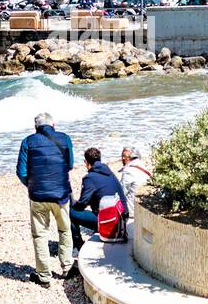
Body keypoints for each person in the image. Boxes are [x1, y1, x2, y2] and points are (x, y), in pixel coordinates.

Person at [16, 112, 75, 288]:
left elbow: (21, 172)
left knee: (40, 234)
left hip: (38, 196)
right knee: (64, 230)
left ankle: (44, 276)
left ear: (35, 127)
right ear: (53, 124)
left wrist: (33, 185)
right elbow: (70, 164)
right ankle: (67, 267)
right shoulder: (65, 139)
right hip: (61, 194)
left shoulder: (28, 141)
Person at [70, 147, 127, 247]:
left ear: (86, 162)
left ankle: (78, 245)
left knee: (70, 213)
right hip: (122, 216)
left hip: (109, 220)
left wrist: (73, 204)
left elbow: (82, 204)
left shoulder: (89, 178)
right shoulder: (110, 173)